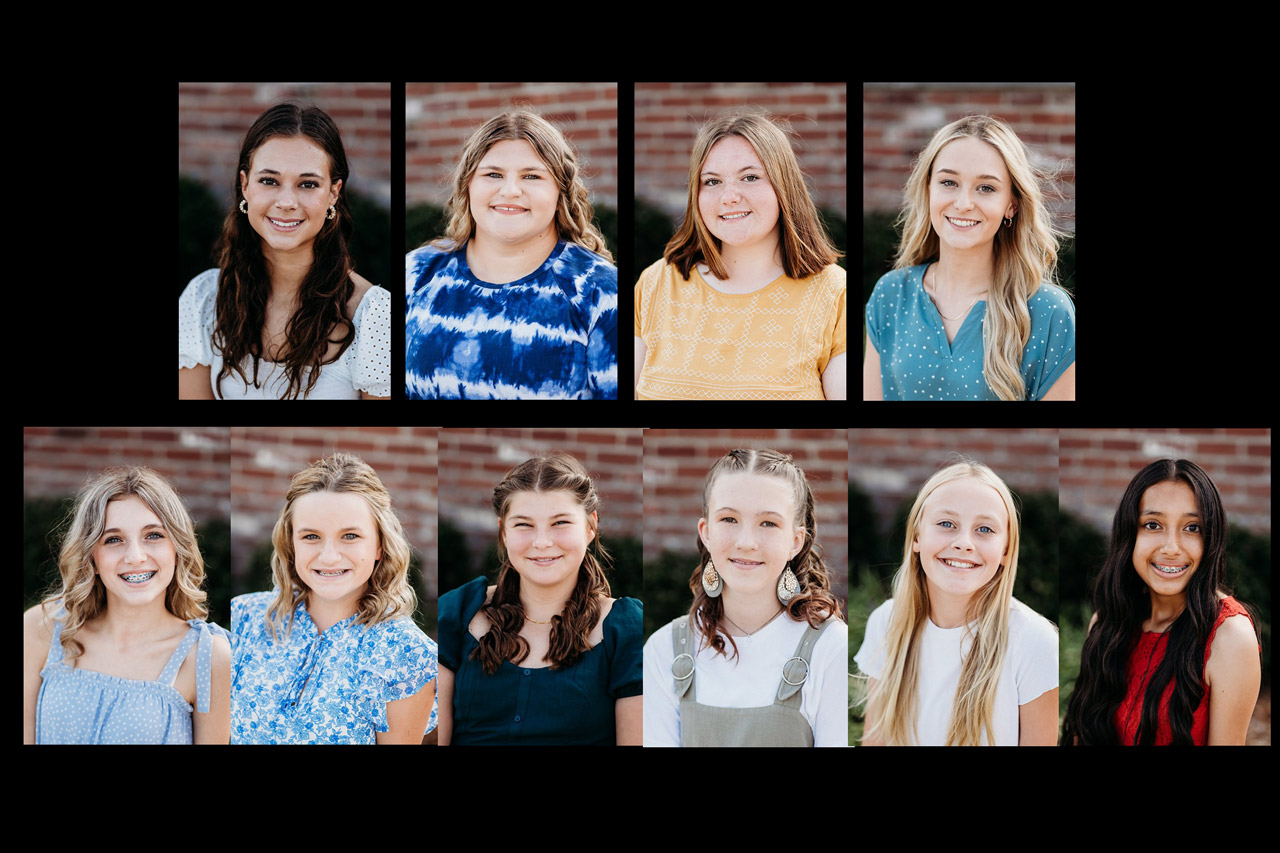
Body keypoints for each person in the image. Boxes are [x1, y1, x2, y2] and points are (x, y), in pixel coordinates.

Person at [179, 103, 390, 399]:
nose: (287, 201)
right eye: (269, 181)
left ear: (333, 192)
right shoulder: (202, 298)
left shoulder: (375, 316)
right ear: (245, 185)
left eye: (307, 184)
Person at [406, 109, 617, 399]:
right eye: (493, 174)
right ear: (468, 185)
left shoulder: (599, 291)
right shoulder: (417, 272)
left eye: (531, 176)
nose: (510, 190)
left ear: (560, 193)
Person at [634, 112, 846, 400]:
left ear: (784, 186)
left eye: (750, 177)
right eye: (712, 182)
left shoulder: (834, 292)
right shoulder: (656, 283)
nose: (729, 196)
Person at [644, 449, 848, 746]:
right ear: (706, 532)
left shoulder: (829, 648)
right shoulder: (664, 650)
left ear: (795, 541)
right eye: (729, 519)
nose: (746, 542)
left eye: (768, 523)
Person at [864, 114, 1075, 401]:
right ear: (928, 190)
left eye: (986, 188)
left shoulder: (1049, 311)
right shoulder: (891, 294)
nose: (963, 204)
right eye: (949, 182)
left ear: (1011, 206)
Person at [231, 453, 436, 744]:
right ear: (291, 544)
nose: (328, 557)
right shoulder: (245, 616)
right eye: (311, 536)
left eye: (350, 536)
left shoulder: (408, 656)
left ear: (380, 545)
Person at [437, 452, 641, 744]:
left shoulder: (625, 629)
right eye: (523, 524)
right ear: (503, 532)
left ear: (590, 527)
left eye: (560, 523)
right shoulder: (458, 611)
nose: (542, 542)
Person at [855, 460, 1058, 745]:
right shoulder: (886, 622)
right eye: (946, 523)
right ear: (916, 536)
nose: (964, 543)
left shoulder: (1033, 640)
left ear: (1006, 550)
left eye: (985, 529)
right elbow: (874, 740)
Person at [23, 467, 231, 744]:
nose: (135, 556)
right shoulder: (43, 627)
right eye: (113, 540)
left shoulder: (208, 657)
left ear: (177, 549)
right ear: (91, 558)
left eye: (153, 535)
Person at [1061, 459, 1261, 745]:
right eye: (1153, 525)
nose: (1171, 548)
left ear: (1211, 540)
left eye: (1192, 528)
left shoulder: (1229, 638)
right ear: (1130, 534)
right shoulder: (1107, 622)